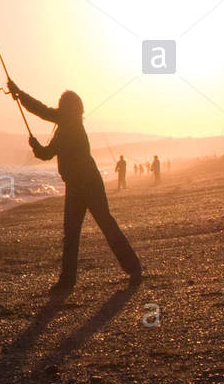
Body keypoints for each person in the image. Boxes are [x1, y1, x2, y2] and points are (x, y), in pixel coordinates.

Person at [7, 80, 143, 288]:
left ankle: (127, 269)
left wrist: (19, 94)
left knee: (86, 229)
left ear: (68, 107)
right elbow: (46, 153)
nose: (59, 107)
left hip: (86, 183)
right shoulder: (66, 127)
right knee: (82, 230)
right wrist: (35, 146)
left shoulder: (69, 122)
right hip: (79, 184)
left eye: (62, 104)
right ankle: (125, 270)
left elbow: (41, 111)